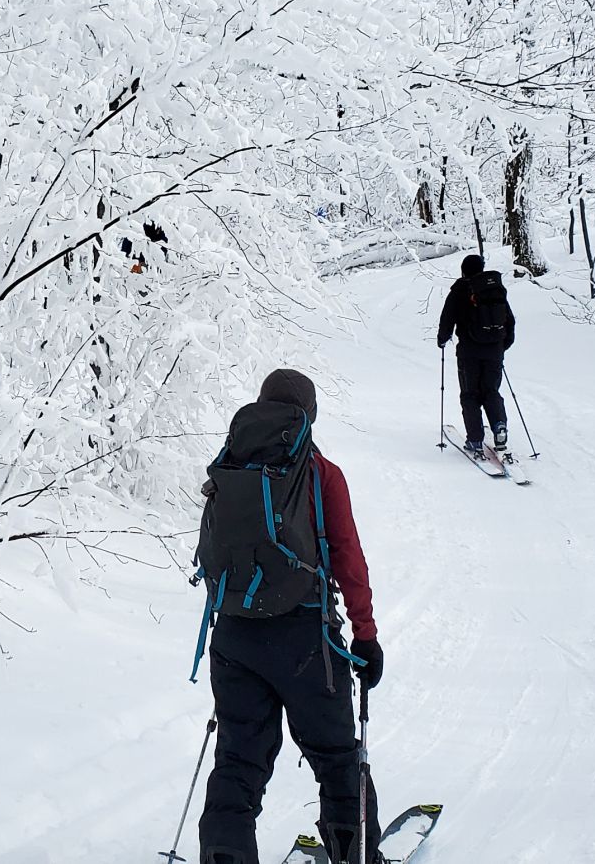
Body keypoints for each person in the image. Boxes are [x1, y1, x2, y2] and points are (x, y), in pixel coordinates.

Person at [198, 369, 385, 864]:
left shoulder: (231, 465)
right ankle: (354, 855)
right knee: (337, 757)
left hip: (234, 635)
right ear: (309, 417)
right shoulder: (323, 474)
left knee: (237, 760)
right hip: (304, 640)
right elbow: (348, 560)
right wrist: (365, 636)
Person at [436, 254, 517, 456]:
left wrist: (442, 339)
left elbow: (447, 318)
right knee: (491, 391)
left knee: (470, 394)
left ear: (464, 270)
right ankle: (499, 426)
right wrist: (501, 346)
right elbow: (509, 321)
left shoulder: (459, 290)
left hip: (469, 353)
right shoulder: (493, 290)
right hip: (494, 351)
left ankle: (475, 440)